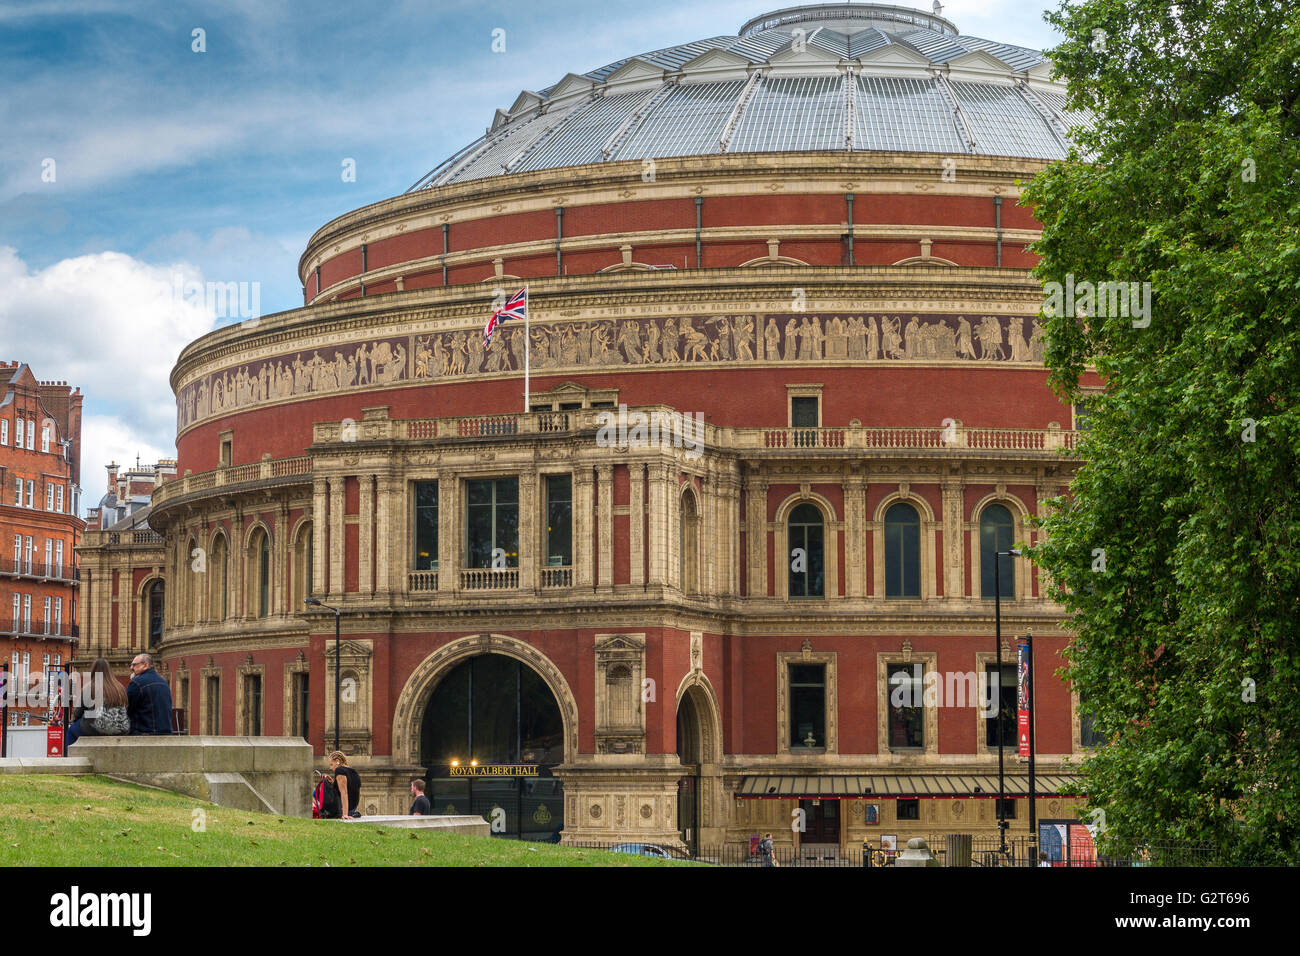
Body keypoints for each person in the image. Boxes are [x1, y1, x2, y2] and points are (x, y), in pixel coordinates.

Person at [66, 658, 130, 747]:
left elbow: (78, 712)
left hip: (95, 727)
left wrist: (74, 719)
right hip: (121, 728)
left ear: (93, 671)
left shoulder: (90, 687)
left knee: (71, 731)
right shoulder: (120, 687)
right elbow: (125, 708)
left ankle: (70, 759)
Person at [126, 652, 174, 735]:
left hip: (144, 734)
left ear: (146, 665)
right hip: (165, 733)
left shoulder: (137, 683)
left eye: (134, 665)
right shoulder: (163, 682)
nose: (131, 668)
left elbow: (126, 708)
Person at [329, 750, 362, 819]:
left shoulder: (340, 770)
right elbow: (350, 789)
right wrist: (333, 782)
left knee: (316, 793)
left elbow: (344, 793)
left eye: (331, 764)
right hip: (352, 809)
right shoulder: (353, 771)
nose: (330, 768)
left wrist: (345, 814)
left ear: (337, 761)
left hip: (344, 810)